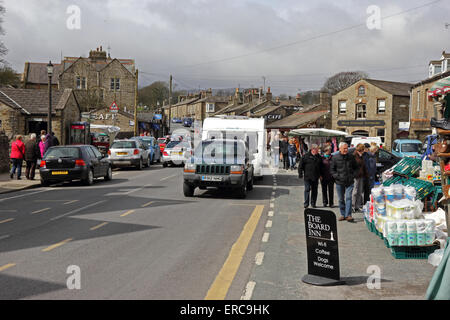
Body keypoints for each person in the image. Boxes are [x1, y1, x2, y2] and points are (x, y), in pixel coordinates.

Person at [330, 142, 358, 222]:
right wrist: (337, 176)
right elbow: (332, 170)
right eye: (344, 148)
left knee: (348, 197)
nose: (346, 150)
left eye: (347, 148)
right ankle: (343, 214)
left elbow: (356, 168)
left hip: (349, 181)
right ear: (340, 149)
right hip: (339, 182)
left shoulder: (351, 157)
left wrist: (353, 175)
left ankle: (348, 215)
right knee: (341, 199)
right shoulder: (335, 157)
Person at [299, 144, 322, 208]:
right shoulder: (306, 156)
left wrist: (321, 175)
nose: (318, 150)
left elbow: (321, 167)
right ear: (313, 149)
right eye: (317, 149)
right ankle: (306, 203)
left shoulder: (319, 157)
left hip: (315, 177)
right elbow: (301, 165)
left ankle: (313, 203)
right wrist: (300, 174)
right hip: (307, 176)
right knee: (307, 189)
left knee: (315, 190)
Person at [352, 143, 368, 213]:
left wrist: (365, 174)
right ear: (361, 149)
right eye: (363, 149)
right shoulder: (354, 156)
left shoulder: (361, 156)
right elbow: (353, 167)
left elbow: (363, 166)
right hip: (356, 176)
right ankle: (353, 206)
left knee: (360, 191)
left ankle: (357, 206)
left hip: (361, 176)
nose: (364, 151)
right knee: (355, 191)